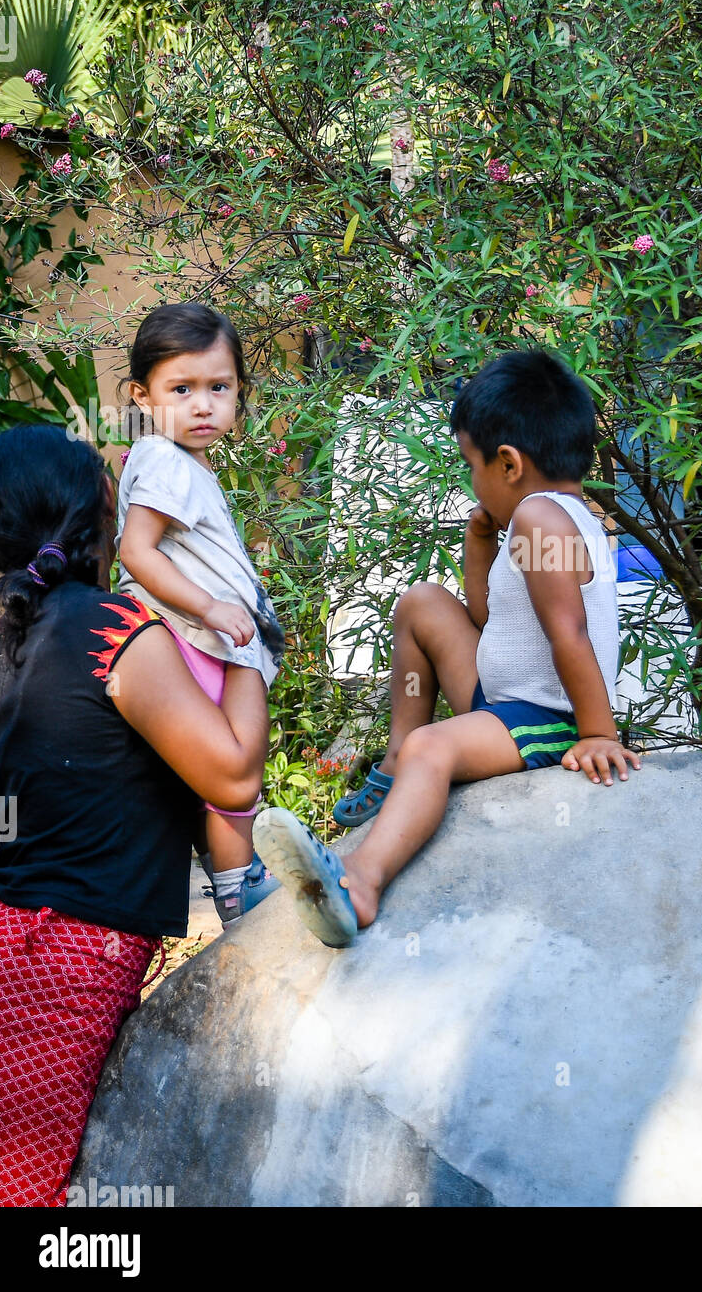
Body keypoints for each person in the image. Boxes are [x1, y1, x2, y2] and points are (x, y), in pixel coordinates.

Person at [254, 347, 641, 948]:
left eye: (470, 465)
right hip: (502, 700)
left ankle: (361, 880)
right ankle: (395, 759)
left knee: (435, 748)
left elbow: (569, 633)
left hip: (547, 720)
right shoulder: (552, 514)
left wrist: (596, 734)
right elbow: (494, 621)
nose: (470, 481)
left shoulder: (543, 520)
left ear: (508, 463)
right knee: (421, 602)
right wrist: (479, 546)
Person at [0, 425, 269, 1206]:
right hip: (66, 956)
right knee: (20, 1196)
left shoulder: (12, 636)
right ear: (104, 508)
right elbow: (236, 772)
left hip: (16, 937)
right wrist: (246, 639)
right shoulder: (115, 631)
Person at [117, 302, 284, 922]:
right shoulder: (165, 458)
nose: (203, 404)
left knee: (224, 773)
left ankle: (237, 884)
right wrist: (212, 606)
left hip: (201, 632)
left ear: (240, 388)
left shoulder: (181, 461)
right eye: (180, 389)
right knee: (238, 755)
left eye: (219, 387)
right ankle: (241, 888)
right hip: (196, 635)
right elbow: (137, 551)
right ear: (142, 396)